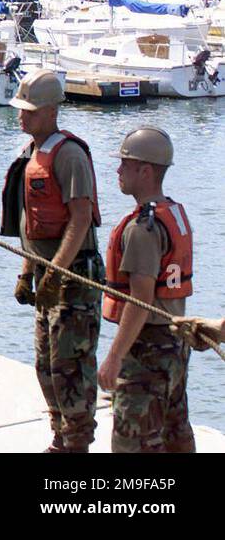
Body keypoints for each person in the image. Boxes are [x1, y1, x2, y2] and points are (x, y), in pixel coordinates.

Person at [1, 70, 103, 453]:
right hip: (46, 275)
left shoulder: (70, 155)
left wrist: (57, 273)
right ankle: (60, 438)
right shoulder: (31, 155)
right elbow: (32, 223)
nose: (21, 116)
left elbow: (79, 218)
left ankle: (76, 442)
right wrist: (28, 272)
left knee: (71, 366)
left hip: (73, 278)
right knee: (46, 365)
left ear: (49, 111)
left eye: (28, 110)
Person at [97, 127, 196, 453]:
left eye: (125, 164)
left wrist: (113, 358)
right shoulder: (175, 214)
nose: (118, 170)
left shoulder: (143, 228)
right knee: (174, 434)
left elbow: (138, 300)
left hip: (148, 349)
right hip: (175, 344)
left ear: (146, 170)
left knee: (133, 442)